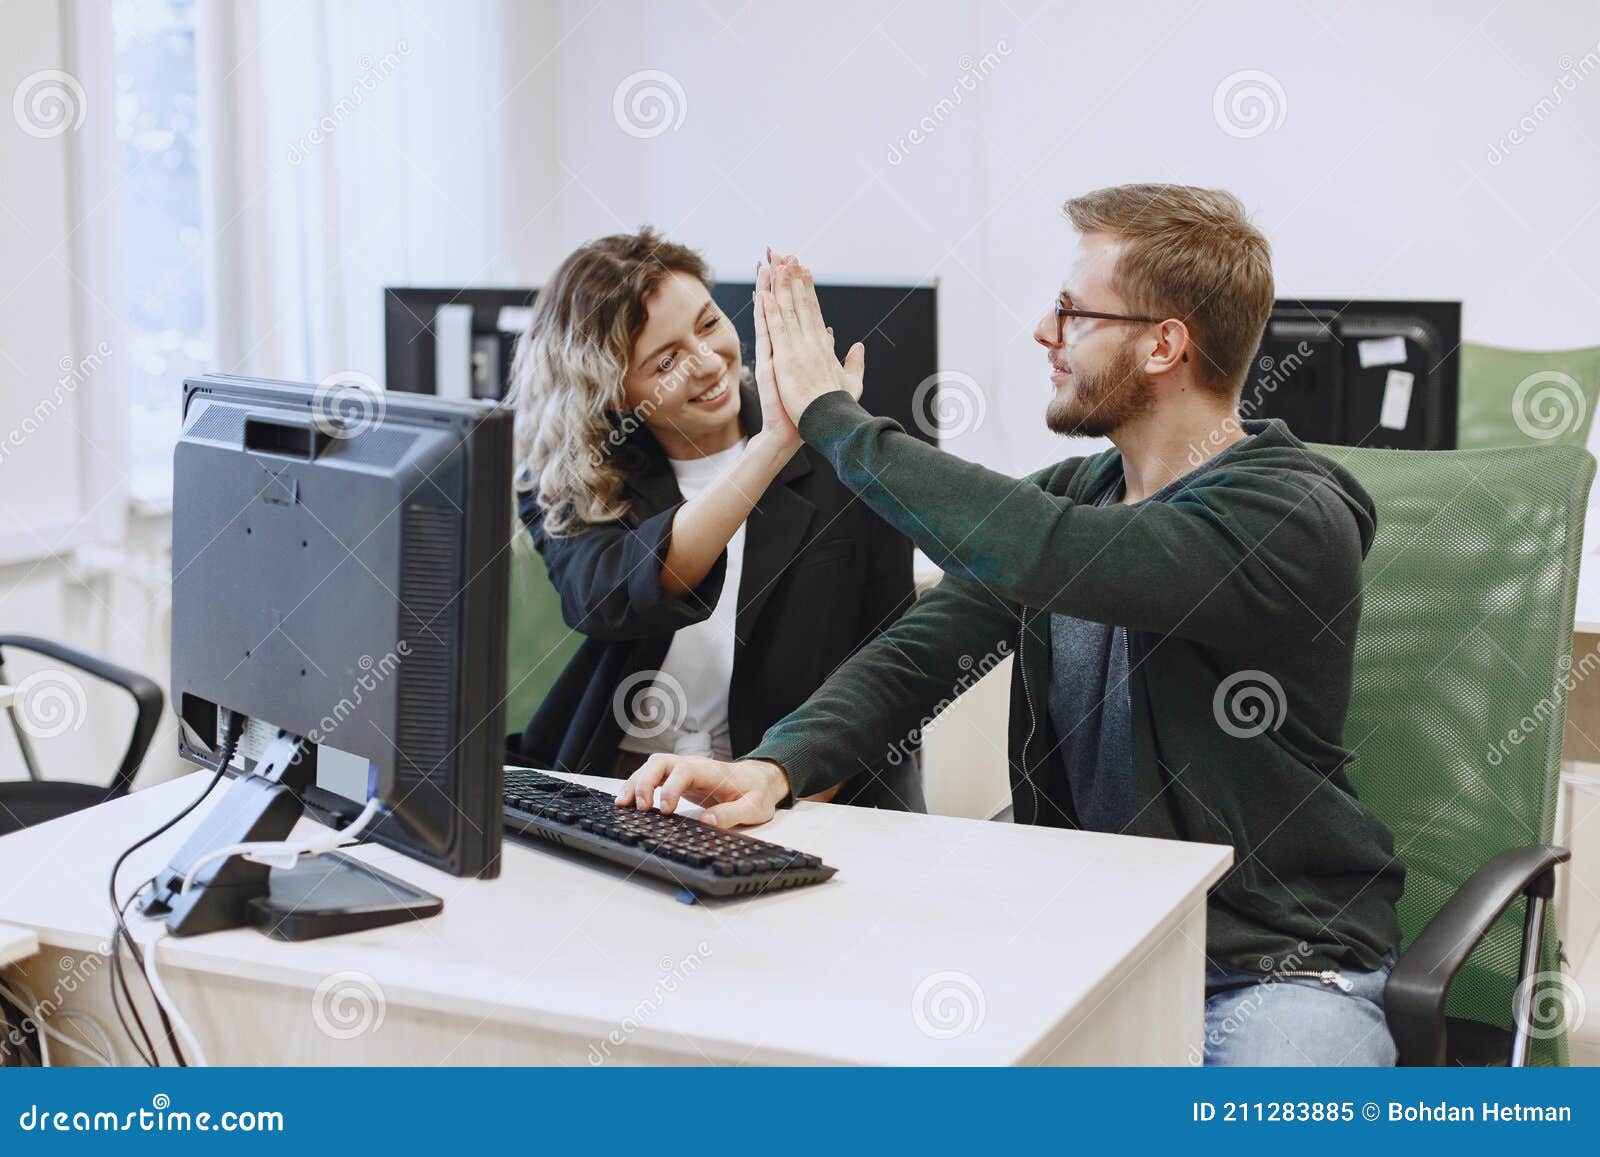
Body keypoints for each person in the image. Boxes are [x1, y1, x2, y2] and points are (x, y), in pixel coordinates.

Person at [616, 186, 1405, 1065]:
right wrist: (775, 764)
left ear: (1164, 344)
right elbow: (921, 654)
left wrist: (835, 420)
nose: (1043, 331)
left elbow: (1052, 553)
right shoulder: (1079, 495)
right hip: (1085, 951)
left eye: (1073, 312)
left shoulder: (1288, 513)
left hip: (1273, 966)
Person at [505, 229, 921, 811]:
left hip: (802, 788)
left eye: (707, 324)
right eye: (666, 361)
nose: (707, 364)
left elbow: (894, 662)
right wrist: (771, 448)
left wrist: (795, 792)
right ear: (616, 393)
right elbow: (612, 599)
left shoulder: (846, 453)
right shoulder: (567, 480)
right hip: (619, 781)